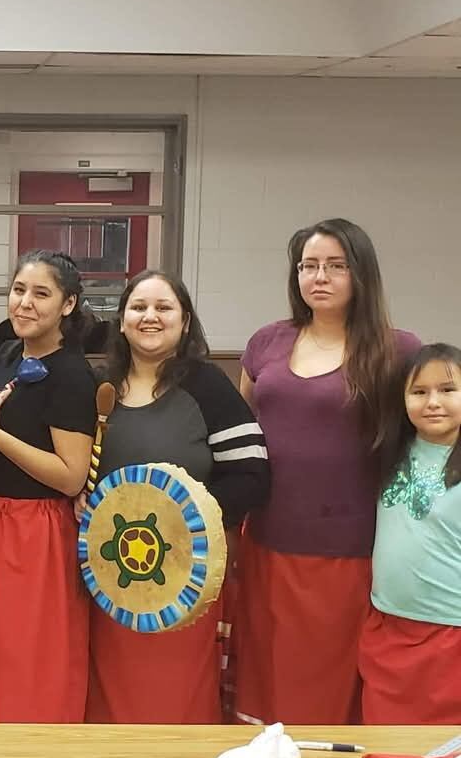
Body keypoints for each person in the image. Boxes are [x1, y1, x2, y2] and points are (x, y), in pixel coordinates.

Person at [235, 218, 420, 725]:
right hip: (267, 539)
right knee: (266, 677)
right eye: (308, 265)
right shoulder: (267, 341)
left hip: (349, 552)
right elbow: (239, 430)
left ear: (361, 274)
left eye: (336, 266)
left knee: (328, 688)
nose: (319, 277)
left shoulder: (398, 350)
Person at [77, 270, 270, 724]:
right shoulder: (100, 387)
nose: (150, 316)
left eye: (163, 307)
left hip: (185, 582)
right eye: (139, 307)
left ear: (185, 322)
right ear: (121, 320)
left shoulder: (208, 387)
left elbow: (253, 475)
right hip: (108, 577)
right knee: (109, 695)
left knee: (174, 695)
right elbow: (76, 468)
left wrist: (181, 517)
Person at [0, 250, 96, 723]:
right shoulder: (6, 349)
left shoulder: (72, 374)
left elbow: (70, 475)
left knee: (28, 660)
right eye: (19, 290)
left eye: (41, 294)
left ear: (67, 304)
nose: (25, 303)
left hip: (32, 530)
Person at [359, 343, 461, 725]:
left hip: (451, 635)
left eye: (447, 390)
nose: (433, 402)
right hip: (388, 628)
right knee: (386, 741)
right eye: (419, 392)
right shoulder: (389, 451)